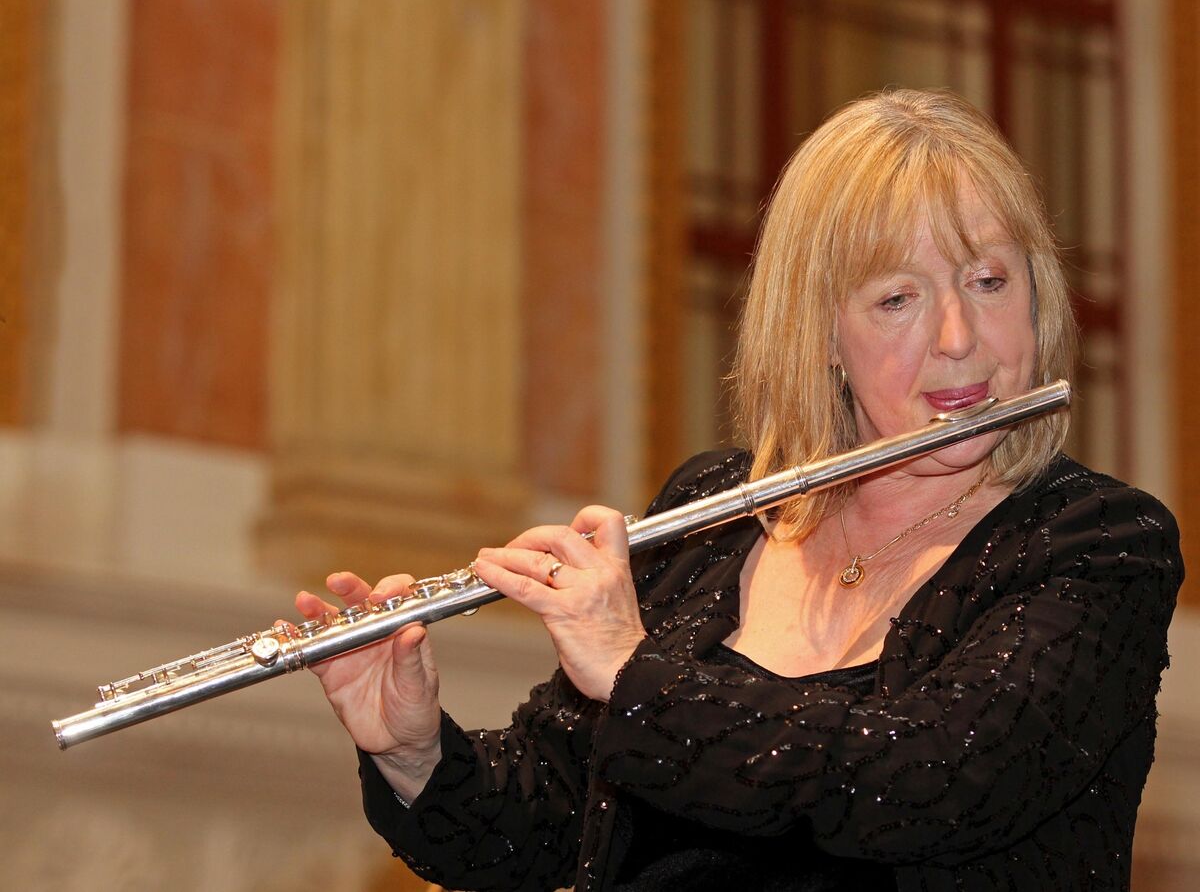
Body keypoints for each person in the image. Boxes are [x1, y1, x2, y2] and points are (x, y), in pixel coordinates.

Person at [294, 89, 1183, 891]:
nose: (959, 336)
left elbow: (926, 783)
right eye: (897, 299)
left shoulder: (1096, 543)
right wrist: (411, 748)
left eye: (989, 281)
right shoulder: (717, 510)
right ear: (822, 332)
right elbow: (545, 823)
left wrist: (638, 676)